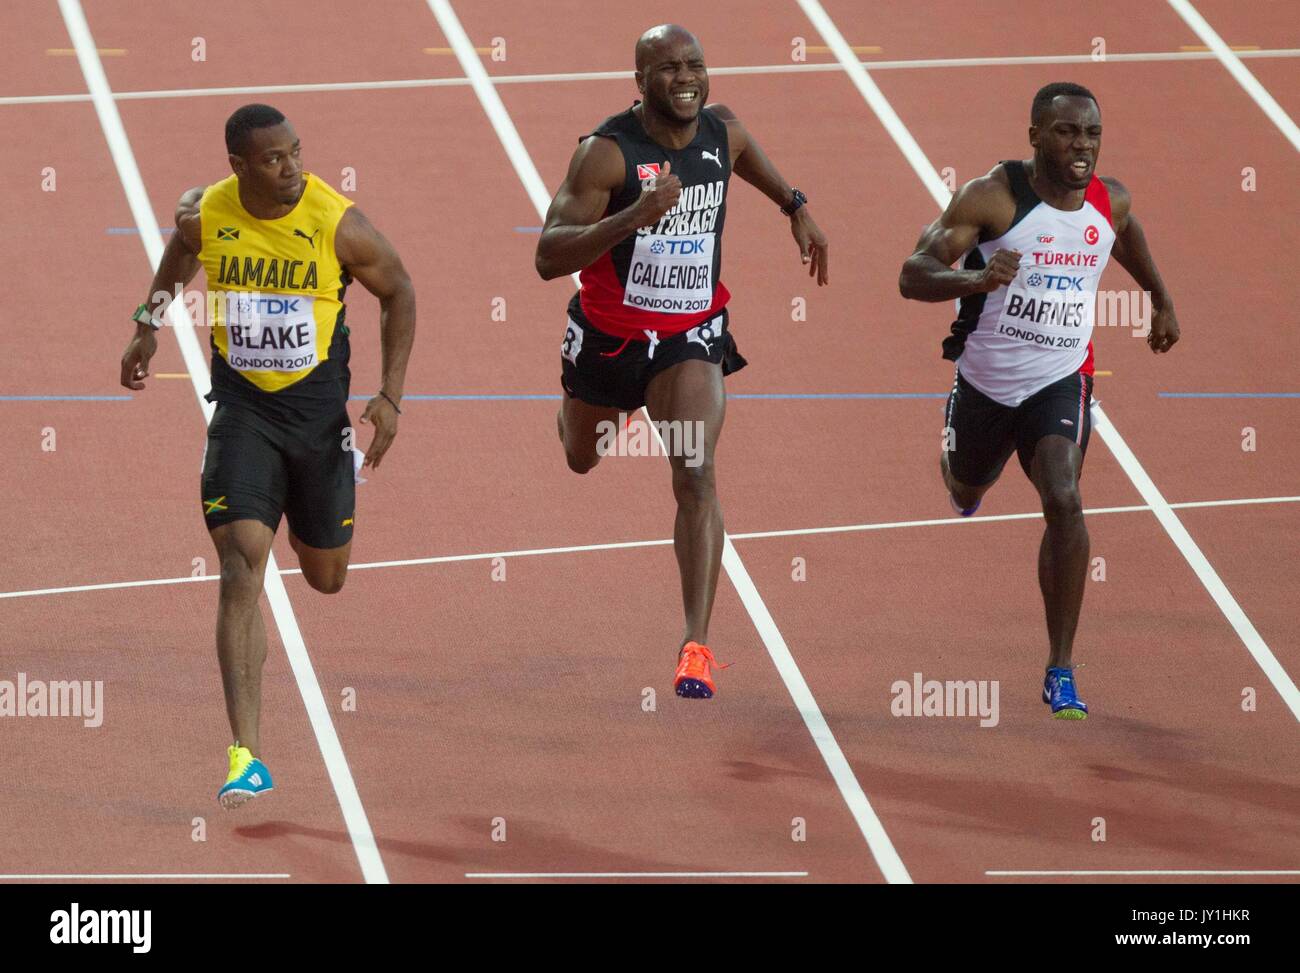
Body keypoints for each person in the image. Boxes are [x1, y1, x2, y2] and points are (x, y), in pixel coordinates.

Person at [119, 104, 416, 802]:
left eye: (296, 152)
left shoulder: (334, 220)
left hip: (318, 423)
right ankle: (245, 752)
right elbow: (181, 254)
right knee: (238, 566)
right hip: (243, 414)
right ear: (239, 167)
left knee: (326, 578)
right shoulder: (207, 212)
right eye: (276, 158)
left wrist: (391, 395)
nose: (293, 167)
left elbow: (399, 289)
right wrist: (146, 324)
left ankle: (309, 504)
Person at [535, 25, 828, 699]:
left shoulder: (722, 133)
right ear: (640, 82)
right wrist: (634, 215)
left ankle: (695, 643)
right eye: (668, 68)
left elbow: (745, 156)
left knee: (695, 473)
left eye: (695, 63)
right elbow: (549, 256)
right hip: (608, 340)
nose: (686, 77)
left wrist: (796, 207)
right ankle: (579, 415)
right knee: (583, 455)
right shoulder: (605, 155)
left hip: (690, 335)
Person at [899, 82, 1179, 719]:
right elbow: (912, 274)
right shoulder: (993, 199)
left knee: (1064, 495)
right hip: (986, 382)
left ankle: (1060, 667)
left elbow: (1124, 232)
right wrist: (977, 276)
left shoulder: (1109, 200)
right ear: (1034, 136)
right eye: (1065, 132)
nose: (1081, 146)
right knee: (967, 487)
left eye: (1091, 134)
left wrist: (1161, 298)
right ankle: (963, 475)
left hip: (1061, 377)